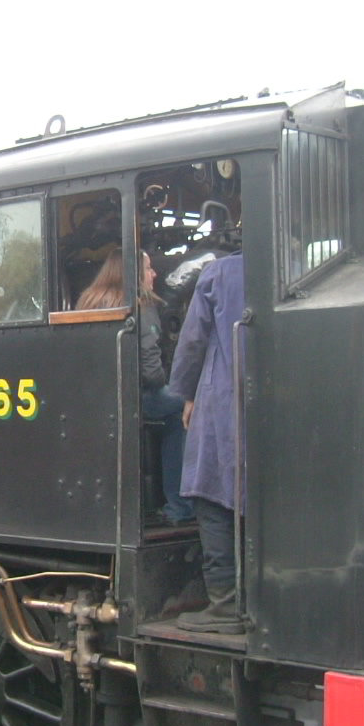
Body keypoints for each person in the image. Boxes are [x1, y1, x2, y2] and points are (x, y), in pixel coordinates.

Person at [78, 248, 193, 524]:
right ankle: (180, 507)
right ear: (134, 275)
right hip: (134, 396)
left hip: (94, 395)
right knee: (186, 408)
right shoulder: (141, 305)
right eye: (149, 269)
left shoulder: (88, 301)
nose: (154, 274)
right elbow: (152, 374)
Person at [168, 251, 246, 633]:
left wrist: (184, 394)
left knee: (210, 493)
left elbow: (193, 339)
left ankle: (225, 603)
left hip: (224, 397)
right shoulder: (294, 265)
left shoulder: (219, 273)